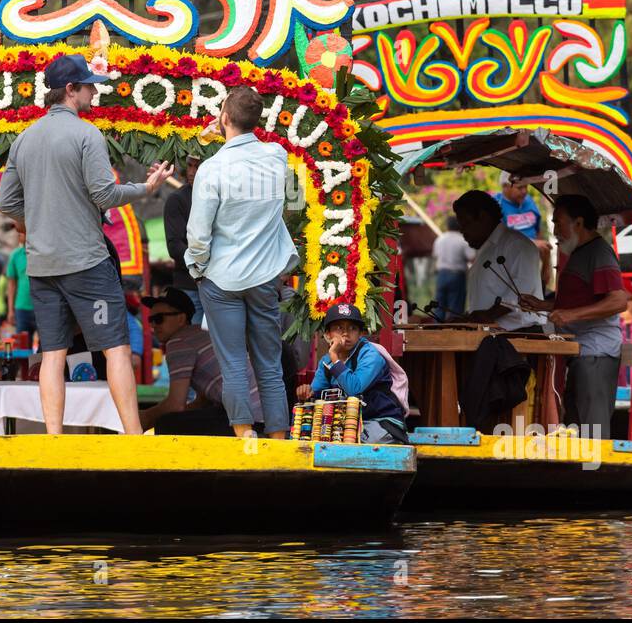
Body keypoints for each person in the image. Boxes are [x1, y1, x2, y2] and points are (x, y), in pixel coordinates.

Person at [0, 53, 173, 434]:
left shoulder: (24, 139)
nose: (94, 92)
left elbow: (6, 203)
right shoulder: (86, 134)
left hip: (42, 266)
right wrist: (147, 187)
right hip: (87, 264)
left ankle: (54, 439)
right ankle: (132, 436)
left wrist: (37, 225)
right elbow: (105, 195)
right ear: (71, 90)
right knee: (117, 349)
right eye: (89, 86)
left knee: (52, 354)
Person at [186, 86, 296, 440]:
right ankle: (278, 436)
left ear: (224, 118)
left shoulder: (211, 169)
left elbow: (198, 233)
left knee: (233, 362)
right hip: (266, 277)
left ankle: (245, 435)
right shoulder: (277, 156)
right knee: (269, 363)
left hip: (221, 279)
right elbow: (294, 201)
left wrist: (197, 266)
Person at [518, 194, 630, 438]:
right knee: (576, 428)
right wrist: (543, 305)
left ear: (578, 224)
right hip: (579, 354)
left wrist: (570, 315)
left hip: (597, 355)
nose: (555, 230)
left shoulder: (598, 252)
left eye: (559, 223)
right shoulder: (578, 253)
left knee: (594, 433)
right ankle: (581, 473)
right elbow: (578, 302)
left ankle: (596, 474)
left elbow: (620, 300)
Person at [138, 287, 262, 433]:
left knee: (165, 424)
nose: (153, 326)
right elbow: (202, 402)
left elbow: (175, 405)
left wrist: (144, 417)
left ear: (181, 318)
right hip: (261, 414)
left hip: (246, 419)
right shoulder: (202, 335)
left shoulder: (178, 342)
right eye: (150, 320)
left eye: (159, 319)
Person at [295, 303, 409, 444]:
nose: (345, 333)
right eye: (339, 328)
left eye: (352, 328)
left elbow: (354, 389)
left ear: (361, 334)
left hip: (381, 422)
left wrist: (335, 358)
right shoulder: (327, 361)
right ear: (327, 334)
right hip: (346, 424)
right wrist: (307, 392)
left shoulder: (370, 354)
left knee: (351, 443)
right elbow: (318, 394)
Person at [454, 190, 545, 330]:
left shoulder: (518, 245)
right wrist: (468, 317)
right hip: (493, 334)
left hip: (520, 335)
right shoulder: (484, 249)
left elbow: (522, 292)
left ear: (483, 217)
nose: (461, 230)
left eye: (465, 223)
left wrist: (487, 315)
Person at [164, 154, 205, 324]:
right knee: (195, 342)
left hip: (220, 284)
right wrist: (201, 268)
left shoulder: (224, 195)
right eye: (189, 166)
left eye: (197, 166)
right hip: (190, 286)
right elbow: (174, 246)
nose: (192, 172)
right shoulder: (177, 199)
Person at [496, 171, 552, 289]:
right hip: (509, 269)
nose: (524, 191)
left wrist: (546, 266)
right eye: (520, 187)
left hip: (531, 265)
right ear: (505, 186)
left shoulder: (529, 201)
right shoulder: (496, 205)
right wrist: (531, 244)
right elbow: (498, 240)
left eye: (526, 186)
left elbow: (537, 232)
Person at [431, 216, 473, 320]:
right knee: (455, 309)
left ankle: (435, 332)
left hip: (441, 274)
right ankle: (454, 332)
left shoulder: (440, 239)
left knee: (439, 306)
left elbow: (435, 255)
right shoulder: (463, 239)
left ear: (447, 226)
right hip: (456, 276)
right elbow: (472, 258)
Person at [3, 230, 38, 343]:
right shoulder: (15, 255)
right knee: (22, 345)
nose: (19, 235)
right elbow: (11, 285)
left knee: (46, 347)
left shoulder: (41, 254)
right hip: (22, 308)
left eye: (22, 232)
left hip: (42, 307)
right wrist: (10, 310)